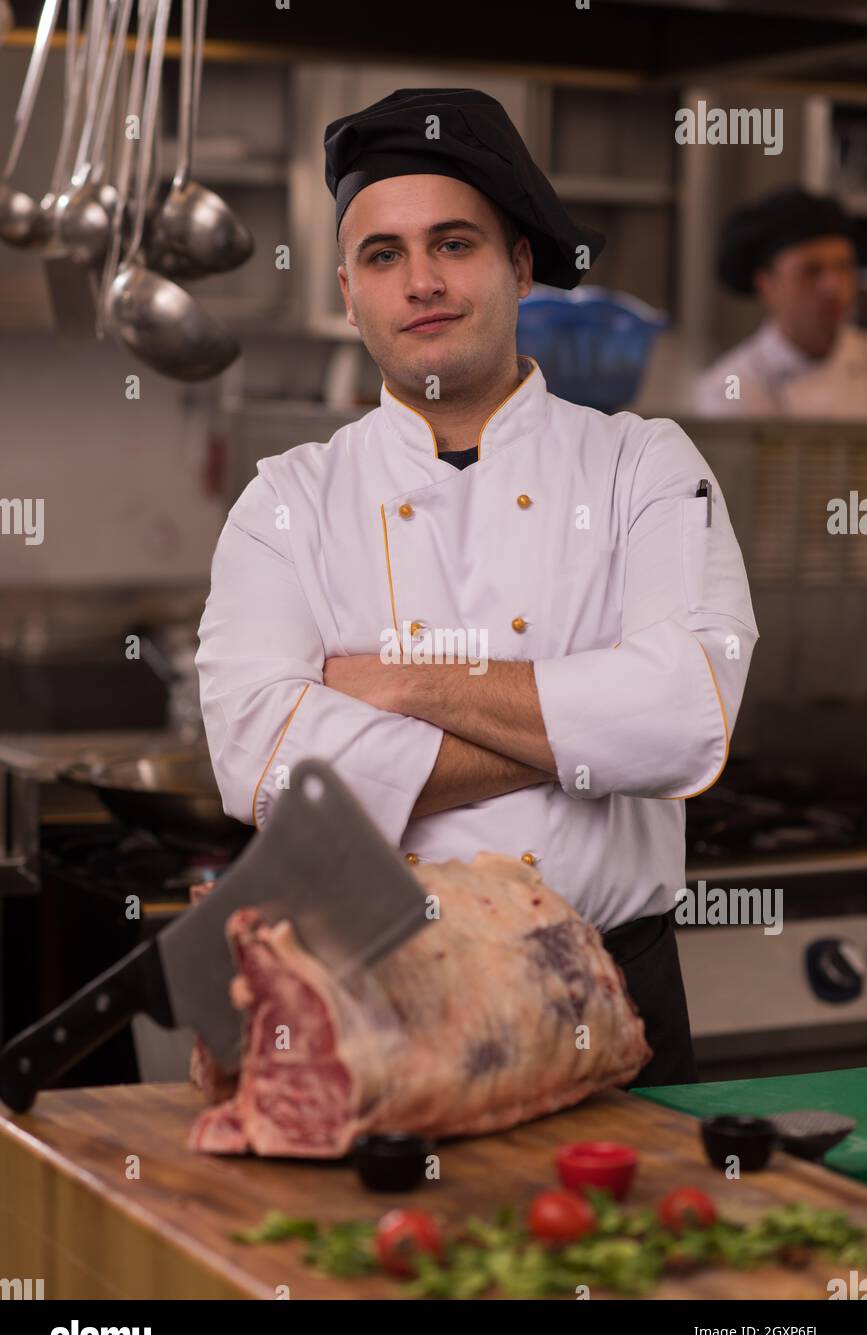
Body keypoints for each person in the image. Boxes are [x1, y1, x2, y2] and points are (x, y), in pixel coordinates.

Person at [196, 88, 759, 1086]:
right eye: (384, 255)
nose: (422, 281)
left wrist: (412, 684)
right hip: (378, 992)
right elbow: (264, 765)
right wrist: (580, 728)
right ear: (347, 288)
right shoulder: (287, 498)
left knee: (643, 1245)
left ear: (519, 265)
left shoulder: (648, 466)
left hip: (611, 980)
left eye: (455, 243)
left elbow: (684, 715)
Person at [693, 187, 867, 417]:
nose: (832, 287)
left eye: (843, 267)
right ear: (766, 285)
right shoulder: (730, 388)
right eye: (811, 271)